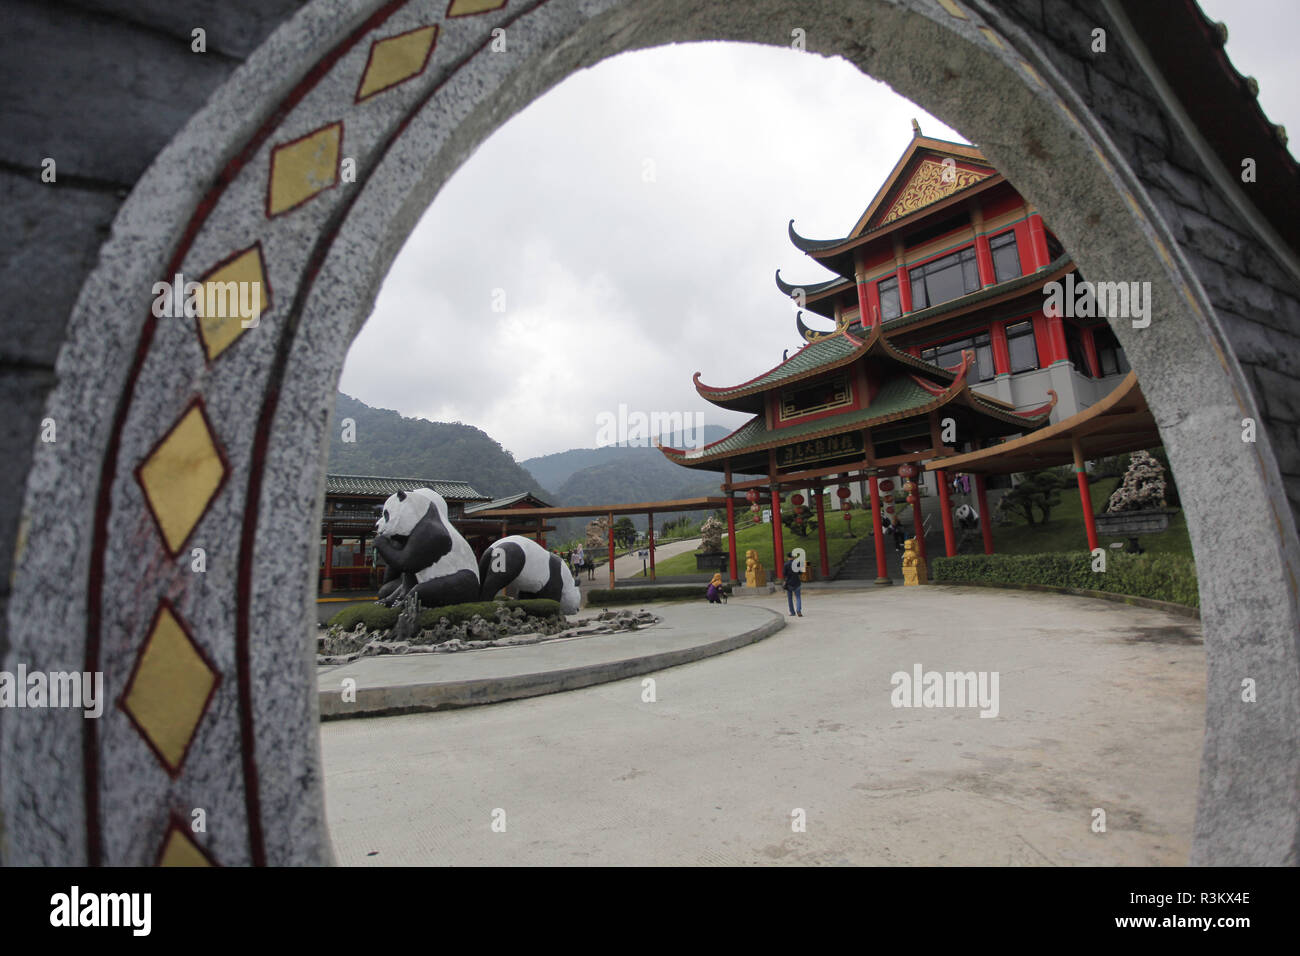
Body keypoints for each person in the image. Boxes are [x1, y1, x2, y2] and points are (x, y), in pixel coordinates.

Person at [782, 551, 803, 617]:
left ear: (788, 557)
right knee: (798, 597)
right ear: (793, 557)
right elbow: (800, 572)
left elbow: (784, 574)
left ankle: (792, 612)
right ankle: (799, 610)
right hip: (797, 582)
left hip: (789, 583)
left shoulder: (786, 564)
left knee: (790, 598)